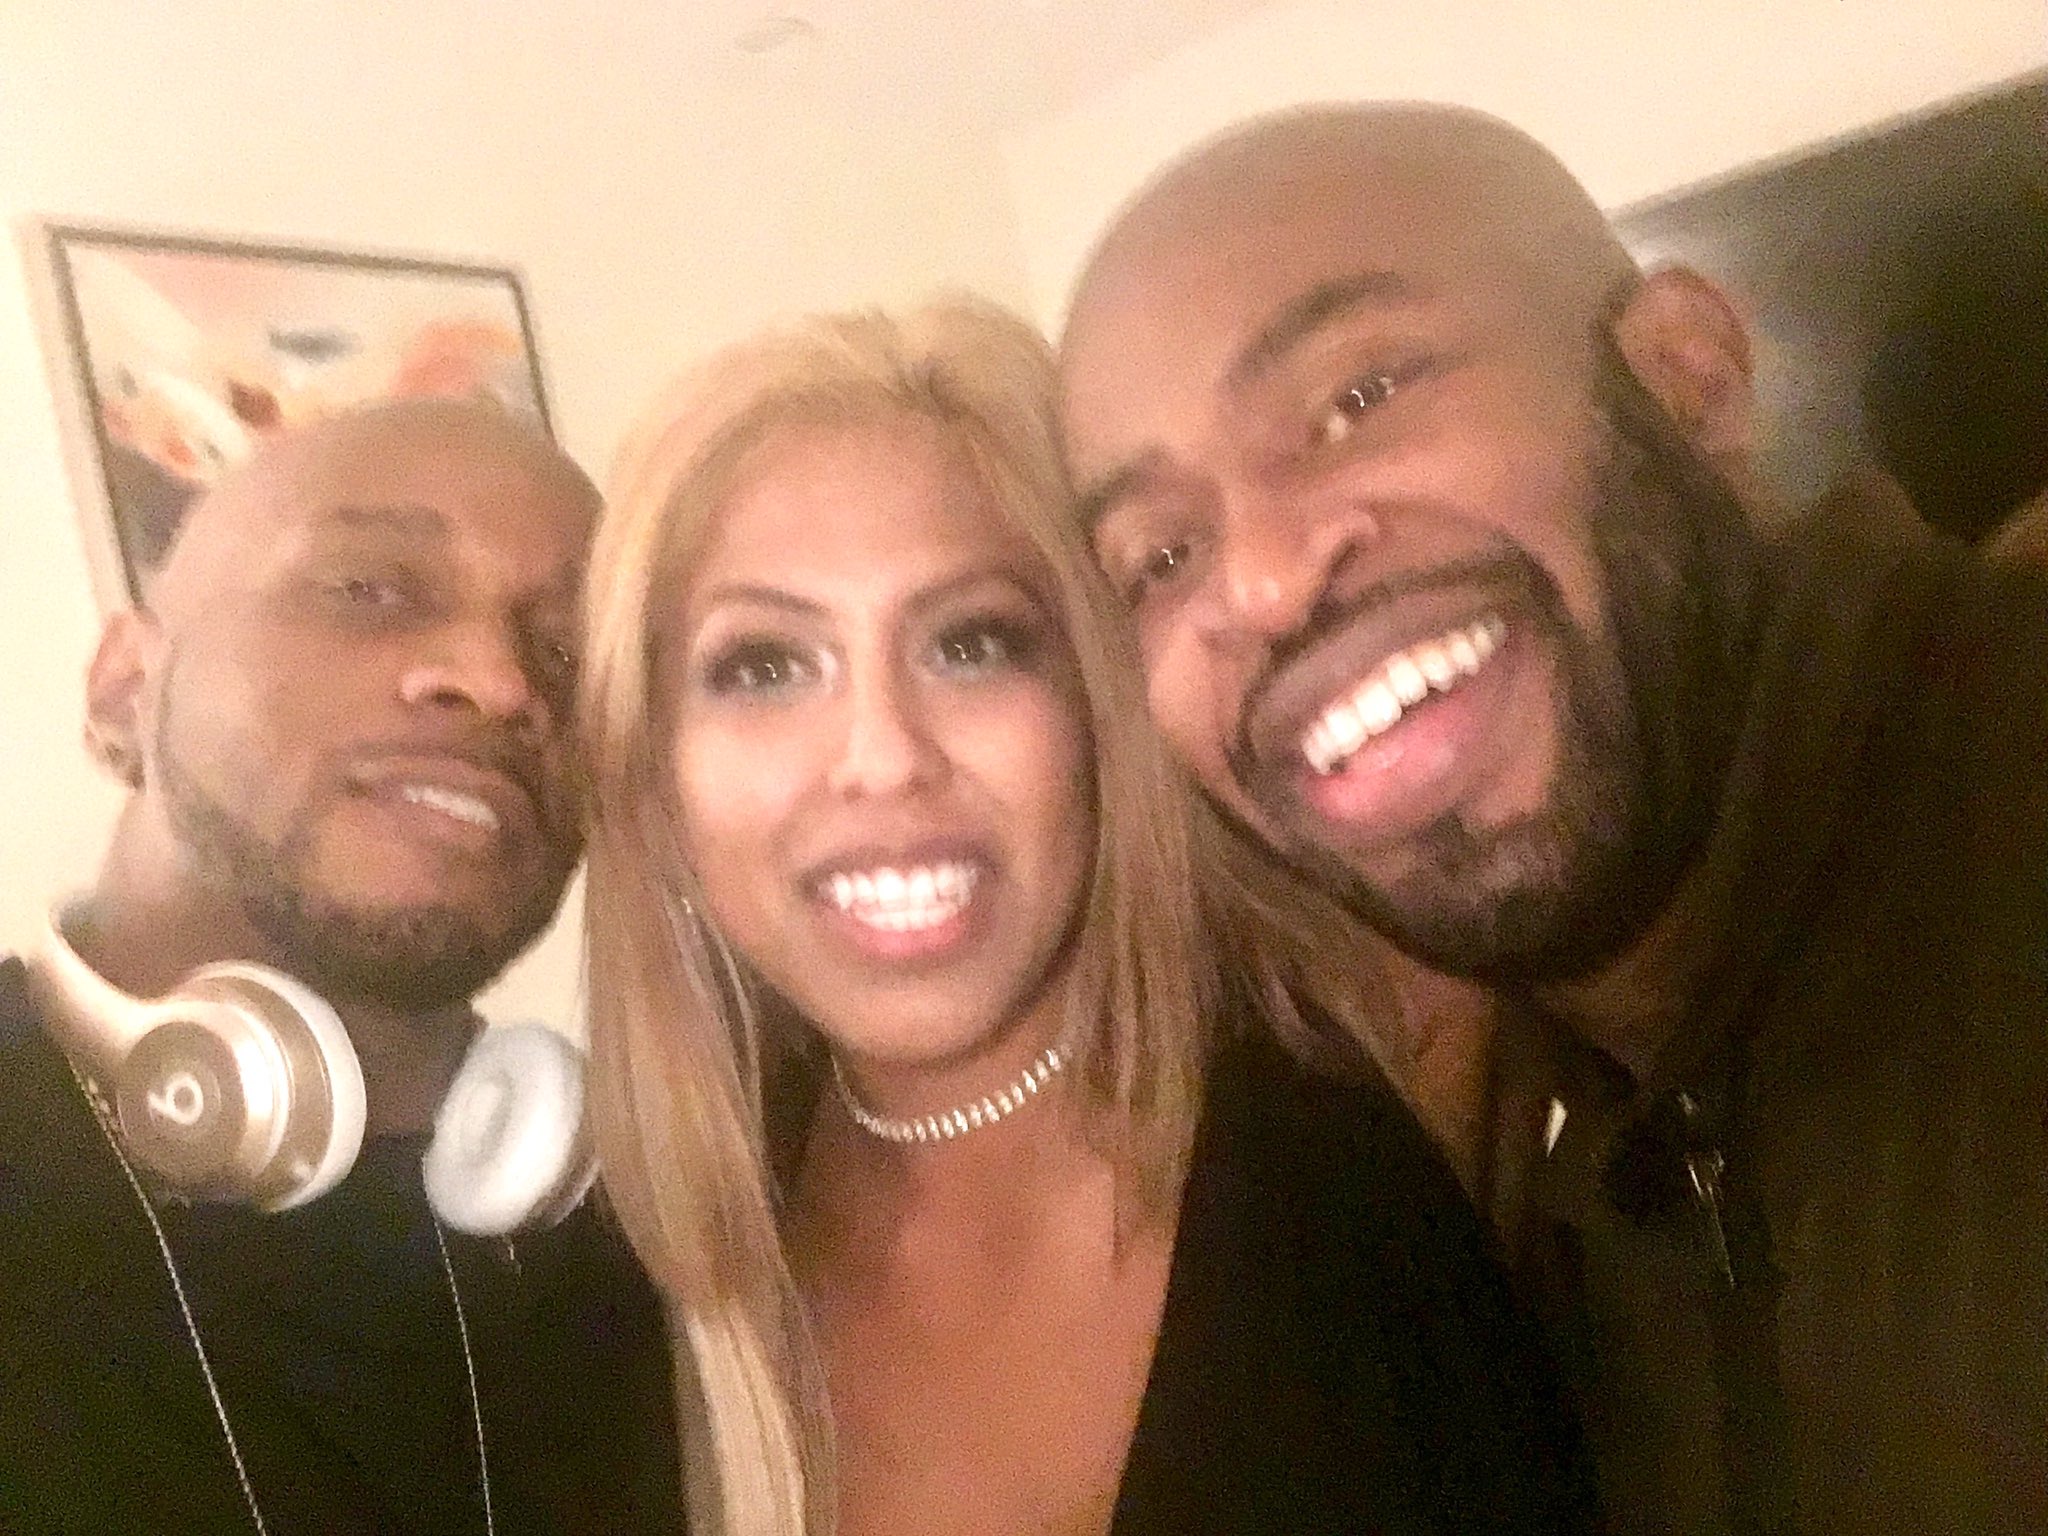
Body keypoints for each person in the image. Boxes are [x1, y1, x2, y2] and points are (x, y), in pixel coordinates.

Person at [1057, 102, 2048, 1535]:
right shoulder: (1525, 1185)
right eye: (1158, 556)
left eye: (1358, 397)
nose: (1260, 585)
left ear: (1685, 378)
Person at [578, 299, 1597, 1535]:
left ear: (1102, 711)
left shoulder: (1369, 1135)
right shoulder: (618, 1294)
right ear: (654, 783)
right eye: (762, 667)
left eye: (971, 643)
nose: (882, 758)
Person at [0, 400, 678, 1534]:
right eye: (370, 589)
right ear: (126, 690)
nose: (499, 680)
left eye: (566, 650)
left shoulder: (673, 1256)